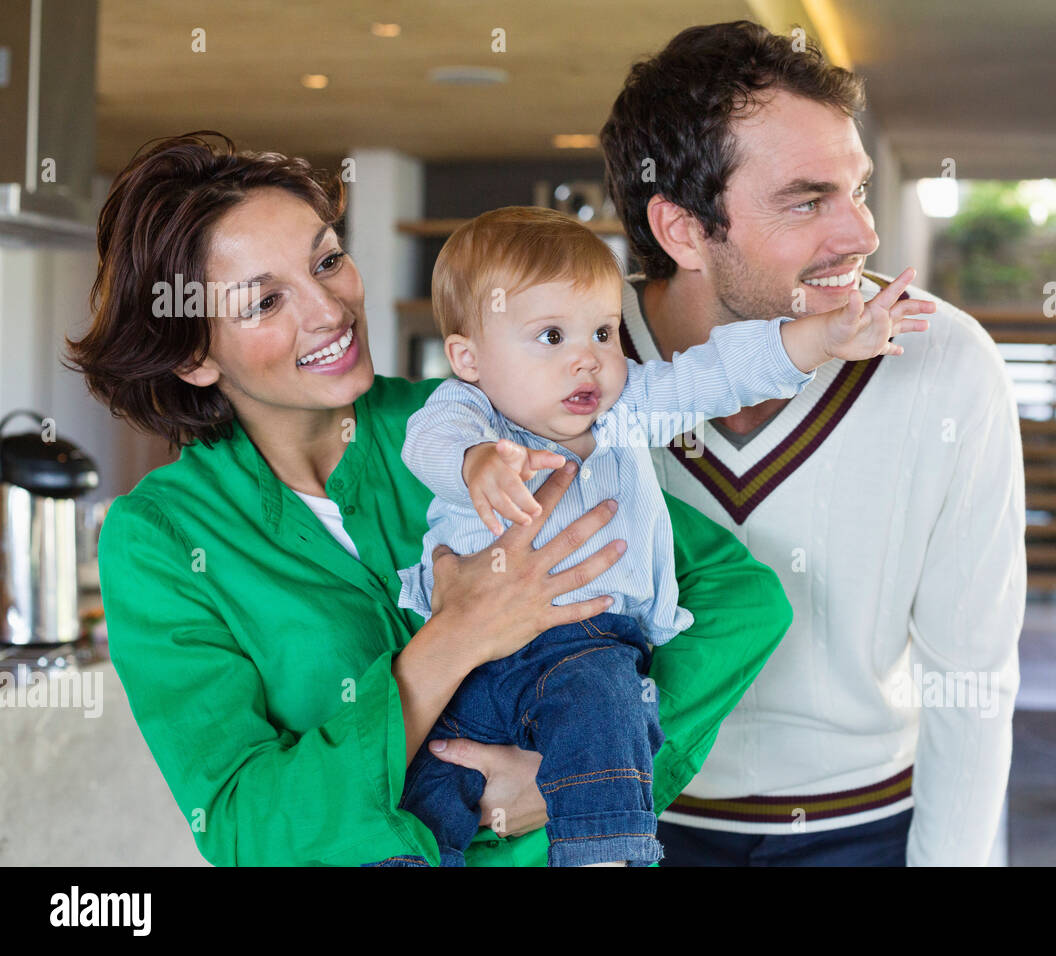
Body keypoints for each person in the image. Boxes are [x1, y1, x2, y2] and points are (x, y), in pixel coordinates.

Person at [64, 131, 799, 867]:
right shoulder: (158, 540)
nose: (329, 309)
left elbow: (742, 601)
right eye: (265, 300)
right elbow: (242, 824)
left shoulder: (490, 424)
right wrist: (456, 637)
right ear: (193, 352)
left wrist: (585, 775)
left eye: (327, 261)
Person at [600, 20, 1027, 865]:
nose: (861, 233)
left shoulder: (946, 361)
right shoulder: (567, 361)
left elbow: (972, 677)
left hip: (863, 830)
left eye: (857, 189)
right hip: (624, 821)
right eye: (807, 201)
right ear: (682, 228)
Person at [390, 206, 932, 865]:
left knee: (607, 719)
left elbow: (719, 373)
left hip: (586, 645)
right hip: (468, 658)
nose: (587, 361)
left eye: (603, 332)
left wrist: (822, 338)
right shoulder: (468, 413)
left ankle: (604, 852)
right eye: (551, 336)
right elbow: (430, 443)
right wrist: (476, 462)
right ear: (467, 357)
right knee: (428, 784)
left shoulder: (624, 411)